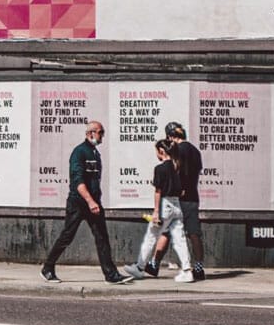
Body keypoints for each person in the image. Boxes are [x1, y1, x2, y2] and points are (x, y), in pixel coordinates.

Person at [41, 121, 133, 285]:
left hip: (93, 202)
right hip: (78, 203)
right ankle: (47, 268)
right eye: (100, 132)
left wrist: (95, 200)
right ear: (91, 133)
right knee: (67, 236)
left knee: (102, 237)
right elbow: (78, 181)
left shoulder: (95, 153)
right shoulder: (79, 152)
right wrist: (90, 201)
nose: (102, 136)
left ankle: (111, 275)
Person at [123, 139, 194, 283]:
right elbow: (183, 191)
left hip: (165, 205)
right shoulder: (178, 167)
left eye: (156, 151)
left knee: (151, 236)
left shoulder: (160, 169)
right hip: (177, 205)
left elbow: (158, 191)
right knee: (180, 239)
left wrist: (156, 211)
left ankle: (139, 267)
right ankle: (187, 271)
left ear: (161, 152)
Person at [144, 121, 206, 281]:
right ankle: (199, 268)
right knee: (194, 233)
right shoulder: (195, 151)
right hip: (192, 197)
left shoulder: (177, 150)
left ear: (171, 137)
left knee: (165, 232)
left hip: (176, 198)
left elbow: (174, 170)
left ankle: (154, 264)